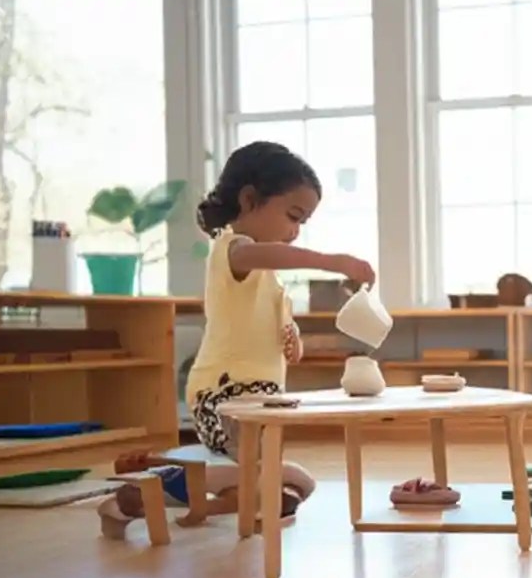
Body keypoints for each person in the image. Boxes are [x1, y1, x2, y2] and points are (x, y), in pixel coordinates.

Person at [98, 141, 376, 538]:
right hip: (224, 392)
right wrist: (334, 262)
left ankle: (177, 501)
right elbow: (272, 256)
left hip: (261, 396)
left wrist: (292, 338)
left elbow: (271, 318)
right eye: (293, 216)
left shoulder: (268, 274)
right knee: (262, 477)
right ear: (249, 200)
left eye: (303, 223)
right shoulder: (233, 249)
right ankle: (142, 490)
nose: (295, 233)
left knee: (298, 484)